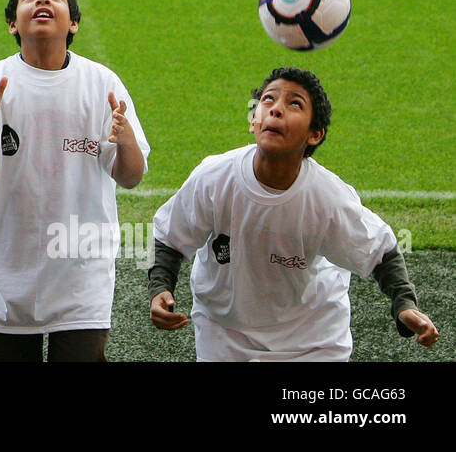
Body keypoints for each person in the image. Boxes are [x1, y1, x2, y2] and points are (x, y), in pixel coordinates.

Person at [149, 66, 439, 361]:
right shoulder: (213, 177)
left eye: (294, 103)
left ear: (315, 134)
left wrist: (405, 305)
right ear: (253, 121)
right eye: (268, 100)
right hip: (225, 334)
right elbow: (169, 237)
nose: (275, 110)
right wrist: (160, 287)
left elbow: (380, 251)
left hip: (312, 340)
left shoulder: (328, 198)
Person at [0, 0, 150, 362]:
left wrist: (126, 137)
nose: (42, 0)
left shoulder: (101, 83)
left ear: (73, 22)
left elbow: (131, 175)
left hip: (81, 282)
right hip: (4, 283)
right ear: (13, 23)